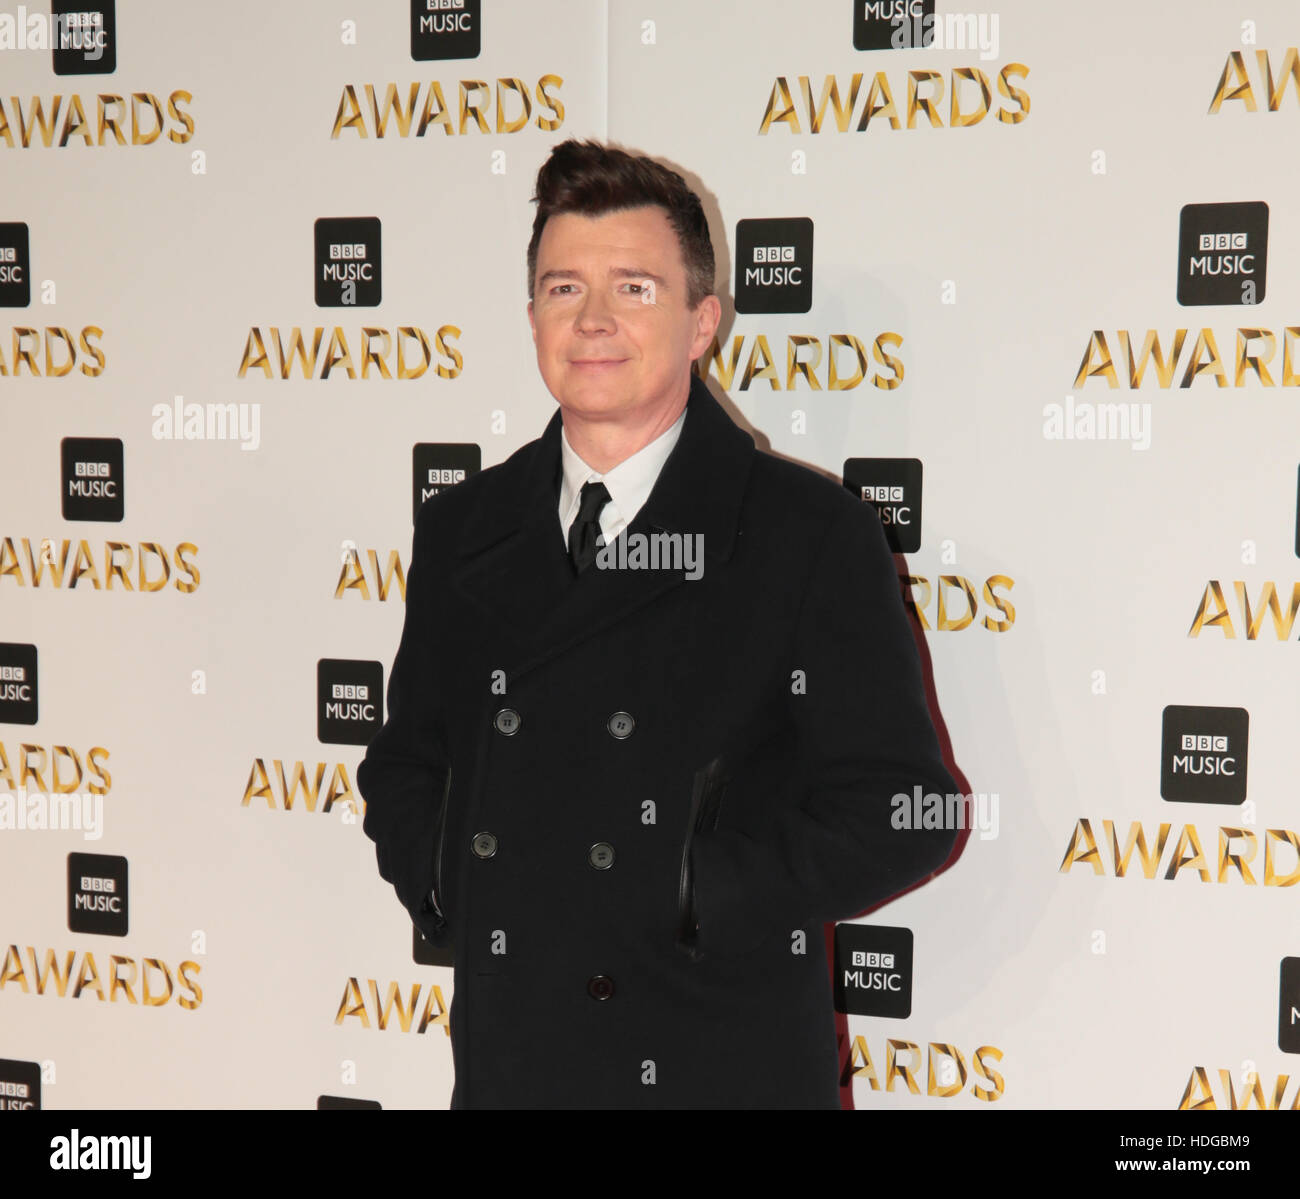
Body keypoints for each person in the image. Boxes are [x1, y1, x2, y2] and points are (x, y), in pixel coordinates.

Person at [357, 138, 961, 1109]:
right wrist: (450, 870)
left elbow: (903, 810)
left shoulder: (806, 534)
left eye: (633, 287)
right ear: (530, 318)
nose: (592, 319)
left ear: (700, 321)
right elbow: (405, 760)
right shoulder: (465, 525)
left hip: (715, 1060)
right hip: (514, 1065)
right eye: (563, 289)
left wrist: (681, 888)